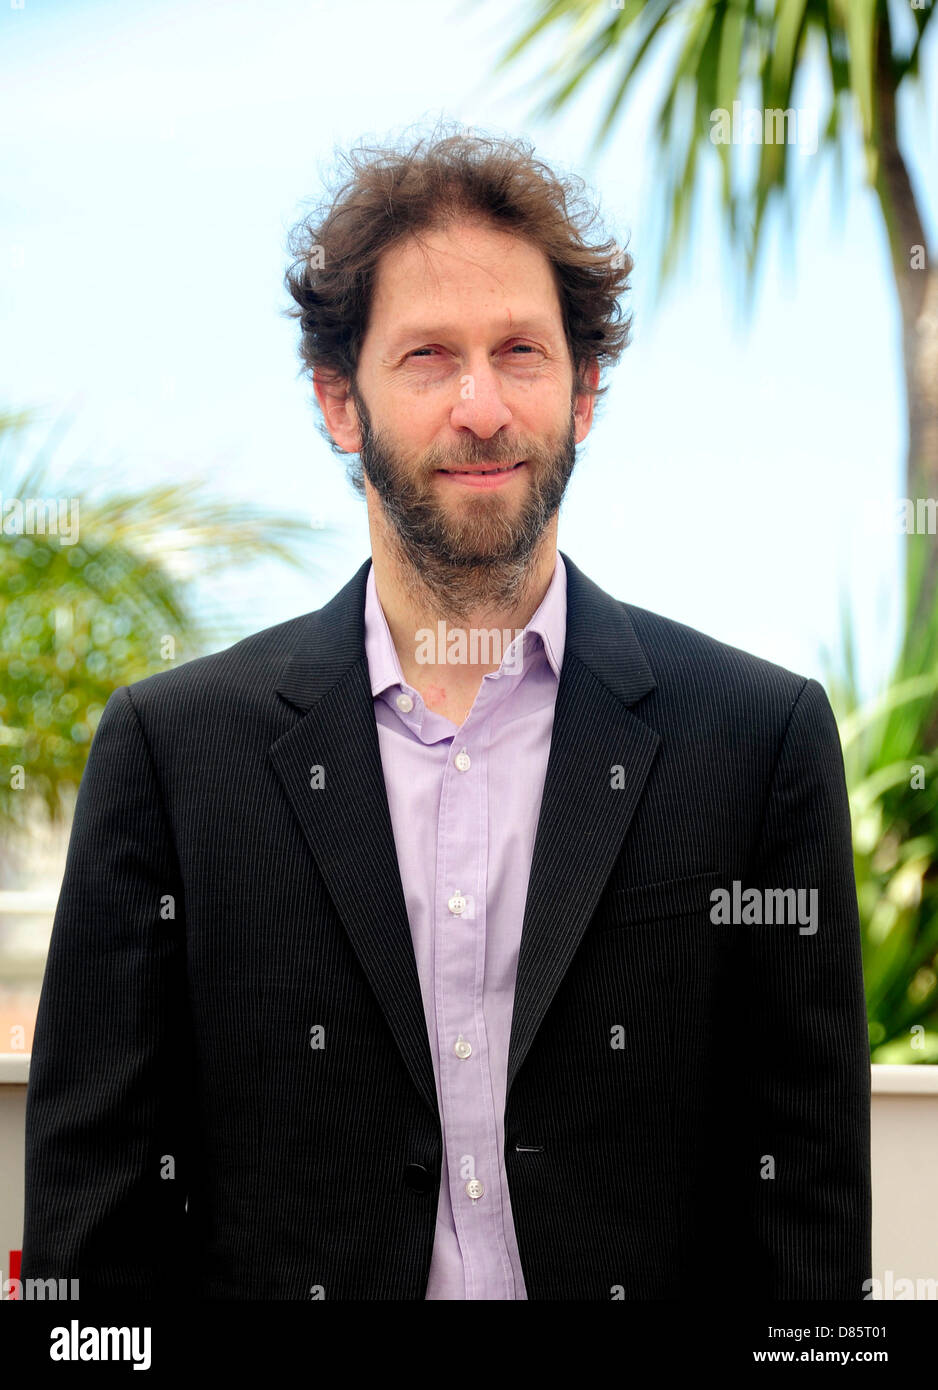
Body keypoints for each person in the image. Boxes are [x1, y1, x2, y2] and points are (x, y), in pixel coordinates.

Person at [21, 128, 871, 1300]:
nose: (481, 407)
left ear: (582, 393)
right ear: (339, 400)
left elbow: (809, 1223)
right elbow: (94, 1230)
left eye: (519, 351)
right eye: (427, 356)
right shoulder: (174, 754)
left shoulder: (756, 738)